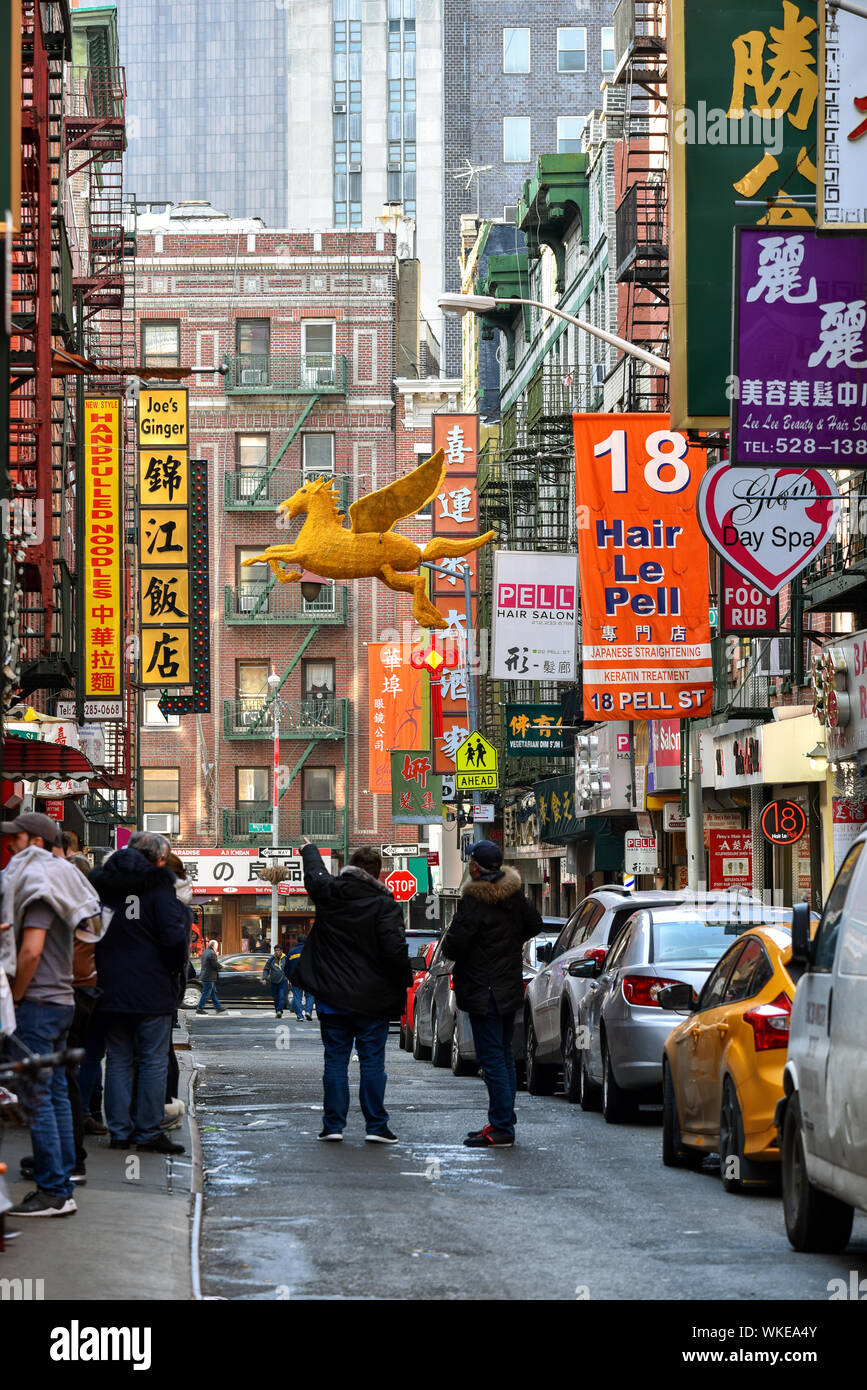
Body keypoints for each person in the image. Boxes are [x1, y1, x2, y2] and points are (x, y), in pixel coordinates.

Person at [2, 811, 101, 1216]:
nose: (11, 845)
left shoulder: (39, 887)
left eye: (18, 838)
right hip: (60, 1003)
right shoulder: (58, 881)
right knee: (56, 1095)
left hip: (39, 1006)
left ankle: (54, 1191)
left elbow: (31, 951)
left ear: (37, 842)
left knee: (40, 1100)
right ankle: (60, 1184)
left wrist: (18, 997)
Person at [297, 841, 411, 1143]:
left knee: (335, 1060)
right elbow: (395, 950)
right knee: (373, 1061)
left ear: (350, 866)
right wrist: (404, 983)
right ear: (379, 873)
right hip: (372, 1001)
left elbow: (315, 875)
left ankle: (333, 1125)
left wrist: (310, 849)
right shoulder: (385, 905)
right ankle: (376, 1126)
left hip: (332, 998)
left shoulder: (331, 894)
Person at [89, 831, 191, 1154]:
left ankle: (119, 1132)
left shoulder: (101, 883)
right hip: (152, 986)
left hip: (110, 984)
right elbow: (173, 937)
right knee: (152, 1060)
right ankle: (147, 1132)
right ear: (160, 859)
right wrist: (175, 971)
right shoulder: (159, 885)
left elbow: (91, 930)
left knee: (117, 1059)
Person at [442, 840, 542, 1149]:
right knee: (504, 1056)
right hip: (508, 986)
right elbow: (534, 924)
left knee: (492, 1059)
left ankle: (501, 1127)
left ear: (475, 867)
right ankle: (503, 1121)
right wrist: (508, 943)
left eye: (470, 861)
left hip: (483, 989)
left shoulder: (474, 900)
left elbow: (453, 945)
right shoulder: (515, 896)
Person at [285, 934, 314, 1020]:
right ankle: (308, 1012)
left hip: (296, 978)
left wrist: (289, 977)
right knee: (310, 996)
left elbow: (286, 967)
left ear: (297, 941)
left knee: (297, 997)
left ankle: (300, 1016)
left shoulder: (291, 951)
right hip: (309, 977)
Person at [196, 940, 223, 1014]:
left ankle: (218, 1007)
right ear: (213, 945)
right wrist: (221, 966)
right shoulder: (212, 953)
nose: (217, 947)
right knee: (206, 993)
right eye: (216, 945)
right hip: (209, 977)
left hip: (205, 975)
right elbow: (214, 964)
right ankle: (199, 1008)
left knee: (212, 993)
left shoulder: (205, 952)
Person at [262, 944, 289, 1017]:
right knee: (275, 998)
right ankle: (277, 1010)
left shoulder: (285, 958)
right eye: (275, 950)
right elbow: (266, 969)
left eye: (278, 950)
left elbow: (289, 969)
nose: (277, 952)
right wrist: (264, 978)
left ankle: (279, 1010)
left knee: (281, 996)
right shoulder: (271, 959)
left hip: (283, 981)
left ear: (281, 951)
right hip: (273, 982)